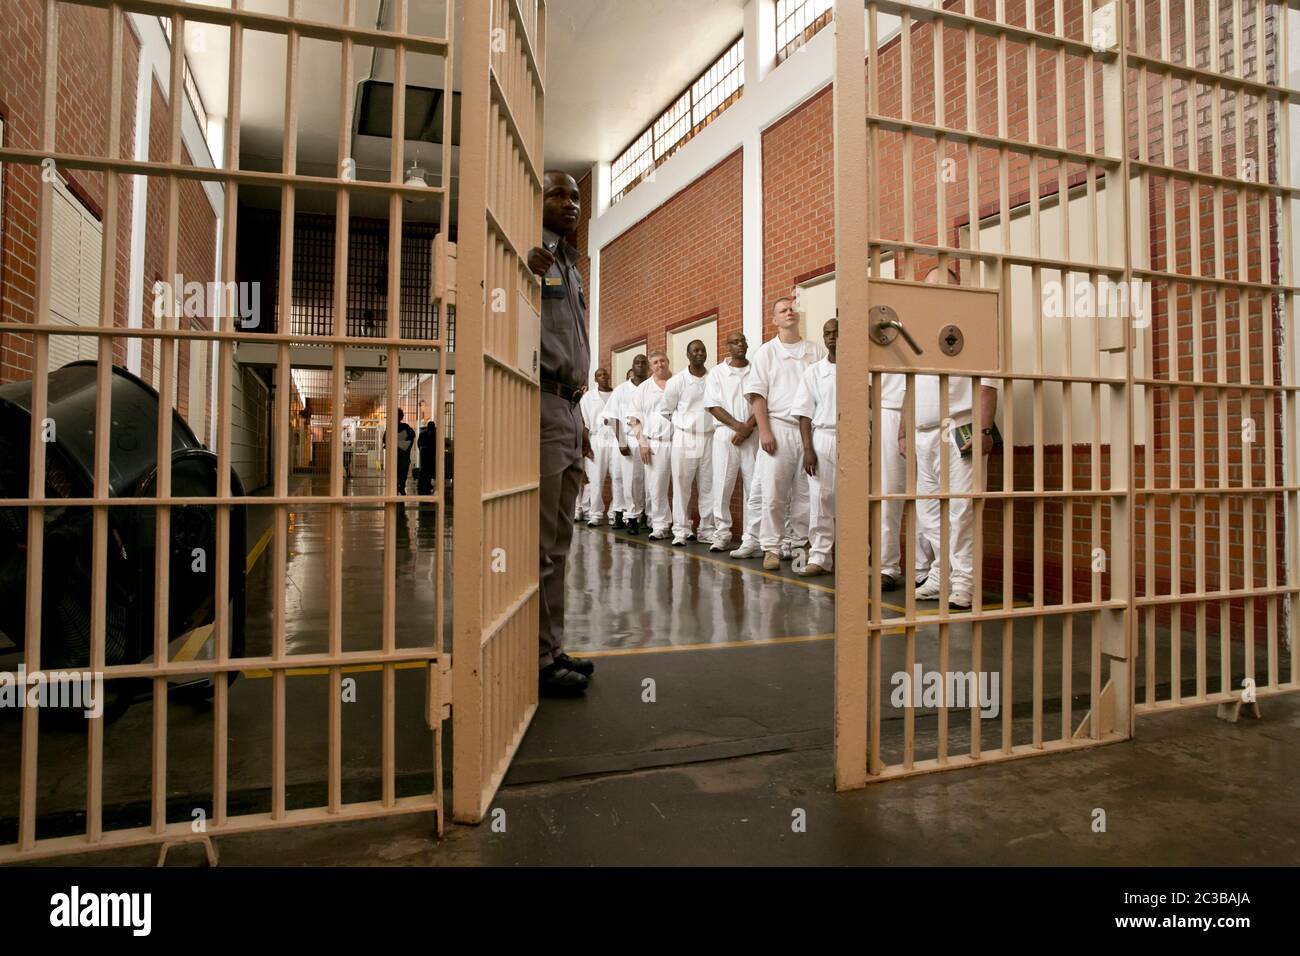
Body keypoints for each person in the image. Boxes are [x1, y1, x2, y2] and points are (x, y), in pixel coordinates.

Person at [525, 170, 596, 696]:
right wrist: (520, 271)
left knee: (562, 542)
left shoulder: (570, 267)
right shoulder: (527, 257)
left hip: (570, 408)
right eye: (559, 194)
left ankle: (551, 644)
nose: (571, 203)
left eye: (575, 196)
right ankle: (534, 656)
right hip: (541, 403)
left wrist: (583, 421)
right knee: (538, 542)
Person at [896, 265, 1000, 610]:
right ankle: (942, 573)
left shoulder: (974, 328)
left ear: (957, 290)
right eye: (929, 287)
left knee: (960, 511)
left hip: (959, 431)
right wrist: (902, 432)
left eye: (943, 287)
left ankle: (964, 584)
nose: (935, 293)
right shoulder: (917, 334)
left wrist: (984, 430)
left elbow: (987, 383)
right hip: (923, 436)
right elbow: (909, 386)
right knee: (928, 512)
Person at [746, 296, 826, 571]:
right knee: (774, 493)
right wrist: (765, 431)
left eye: (792, 308)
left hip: (808, 430)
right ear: (775, 320)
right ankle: (771, 547)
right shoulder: (766, 353)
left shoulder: (815, 351)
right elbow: (757, 396)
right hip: (777, 427)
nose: (789, 312)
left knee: (805, 494)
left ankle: (800, 542)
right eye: (782, 310)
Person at [706, 331, 760, 556]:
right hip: (725, 435)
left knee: (755, 488)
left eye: (743, 341)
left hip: (752, 434)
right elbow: (713, 406)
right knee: (722, 486)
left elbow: (763, 400)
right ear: (727, 346)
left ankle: (753, 537)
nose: (740, 345)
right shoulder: (718, 373)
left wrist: (747, 428)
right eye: (735, 342)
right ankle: (722, 534)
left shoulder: (756, 369)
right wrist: (739, 427)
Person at [881, 371, 935, 590]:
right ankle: (888, 567)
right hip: (891, 411)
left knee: (927, 496)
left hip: (926, 414)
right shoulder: (877, 337)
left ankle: (923, 569)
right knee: (889, 494)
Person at [793, 319, 837, 576]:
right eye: (827, 333)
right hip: (824, 437)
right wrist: (808, 449)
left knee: (853, 499)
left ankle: (857, 557)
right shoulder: (814, 371)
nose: (832, 337)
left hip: (855, 437)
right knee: (820, 498)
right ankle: (820, 557)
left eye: (836, 332)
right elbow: (804, 414)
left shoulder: (860, 366)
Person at [662, 339, 716, 547]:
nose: (699, 353)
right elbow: (666, 410)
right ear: (688, 354)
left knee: (708, 486)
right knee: (682, 485)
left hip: (709, 437)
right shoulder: (677, 381)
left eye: (702, 350)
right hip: (685, 437)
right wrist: (684, 425)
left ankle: (707, 529)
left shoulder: (713, 378)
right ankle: (681, 530)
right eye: (695, 350)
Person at [629, 350, 674, 540]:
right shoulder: (643, 389)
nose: (659, 365)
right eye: (655, 362)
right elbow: (634, 418)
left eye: (662, 361)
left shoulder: (678, 382)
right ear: (651, 366)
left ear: (668, 361)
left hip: (681, 440)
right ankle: (659, 526)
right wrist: (642, 443)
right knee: (656, 488)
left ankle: (683, 526)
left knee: (683, 486)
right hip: (655, 443)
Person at [604, 359, 649, 534]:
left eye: (644, 363)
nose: (641, 365)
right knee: (631, 480)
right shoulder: (621, 390)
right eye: (638, 363)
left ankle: (646, 515)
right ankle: (631, 517)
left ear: (648, 367)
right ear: (632, 367)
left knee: (649, 481)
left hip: (651, 438)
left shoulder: (652, 387)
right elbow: (612, 417)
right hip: (629, 439)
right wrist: (621, 441)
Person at [579, 368, 624, 526]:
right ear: (595, 379)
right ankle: (595, 514)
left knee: (618, 476)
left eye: (605, 374)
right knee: (596, 478)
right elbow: (584, 424)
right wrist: (586, 445)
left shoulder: (617, 394)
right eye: (599, 375)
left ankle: (615, 512)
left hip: (615, 438)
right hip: (596, 439)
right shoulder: (588, 397)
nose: (603, 376)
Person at [383, 408, 416, 495]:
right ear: (401, 417)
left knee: (394, 473)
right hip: (404, 456)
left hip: (395, 456)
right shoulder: (405, 427)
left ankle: (396, 487)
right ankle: (401, 487)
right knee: (403, 473)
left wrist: (394, 441)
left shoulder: (390, 427)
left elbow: (384, 439)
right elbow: (412, 436)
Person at [416, 417, 437, 497]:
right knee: (430, 470)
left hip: (424, 455)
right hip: (432, 455)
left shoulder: (422, 434)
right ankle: (428, 484)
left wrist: (422, 450)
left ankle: (422, 485)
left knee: (424, 470)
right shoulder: (435, 434)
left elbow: (419, 444)